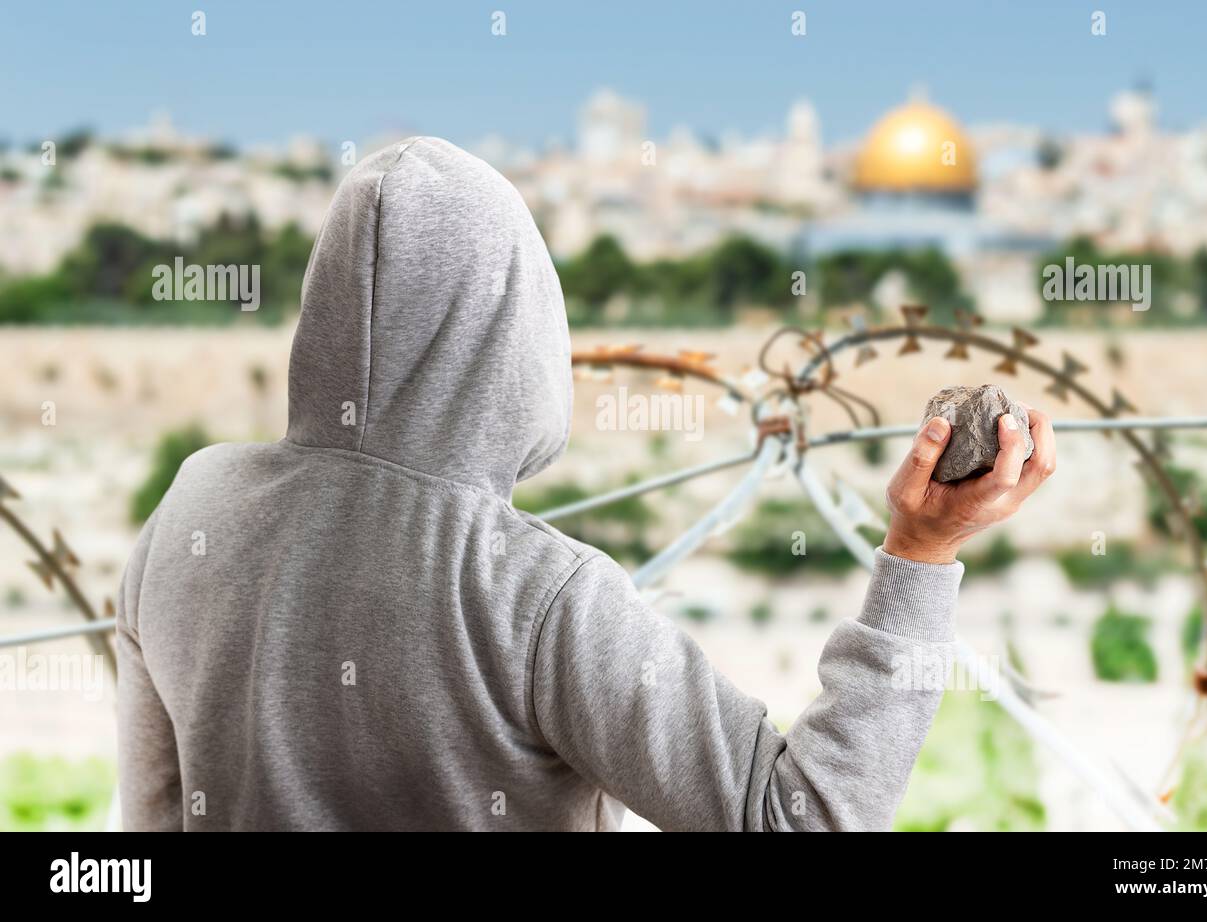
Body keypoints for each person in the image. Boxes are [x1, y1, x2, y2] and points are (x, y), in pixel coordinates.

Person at [116, 137, 1056, 831]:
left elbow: (149, 832)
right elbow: (801, 819)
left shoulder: (189, 513)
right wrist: (921, 552)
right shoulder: (536, 596)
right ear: (520, 333)